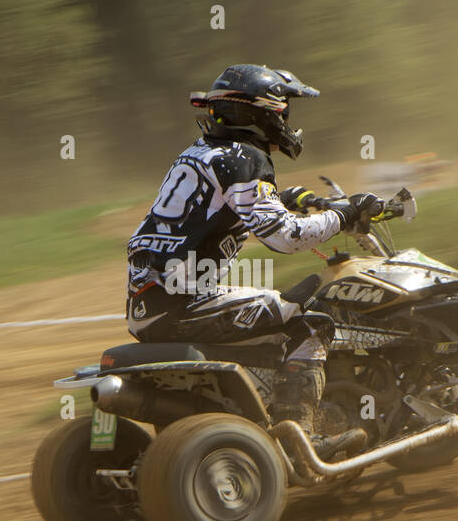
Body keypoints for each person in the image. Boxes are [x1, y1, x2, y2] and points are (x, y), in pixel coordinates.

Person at [125, 64, 378, 452]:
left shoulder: (200, 154)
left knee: (269, 313)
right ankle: (302, 438)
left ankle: (254, 417)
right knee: (310, 324)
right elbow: (286, 237)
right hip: (187, 304)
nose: (287, 121)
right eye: (283, 110)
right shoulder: (245, 158)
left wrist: (292, 197)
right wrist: (347, 212)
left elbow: (225, 202)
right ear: (260, 112)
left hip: (147, 305)